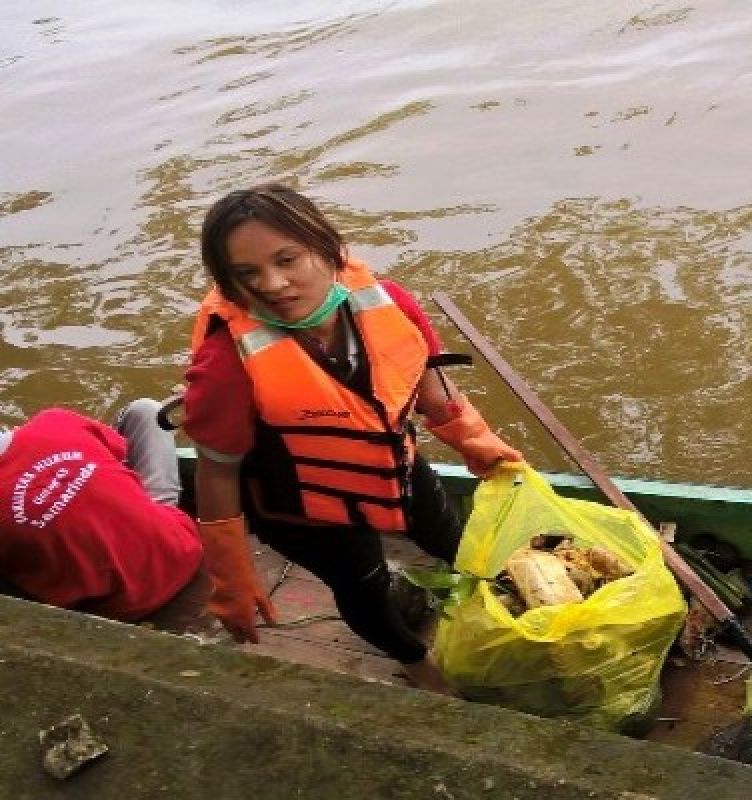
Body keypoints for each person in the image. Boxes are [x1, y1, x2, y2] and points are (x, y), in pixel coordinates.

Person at [182, 183, 522, 695]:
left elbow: (430, 387)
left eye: (287, 259)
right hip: (299, 505)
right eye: (246, 273)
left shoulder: (387, 303)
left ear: (327, 246)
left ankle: (492, 617)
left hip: (396, 466)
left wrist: (481, 446)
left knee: (455, 540)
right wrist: (232, 576)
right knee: (362, 585)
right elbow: (216, 470)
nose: (273, 284)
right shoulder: (225, 363)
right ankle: (414, 661)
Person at [0, 398, 203, 621]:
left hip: (114, 609)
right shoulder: (55, 421)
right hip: (181, 549)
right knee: (145, 410)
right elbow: (115, 454)